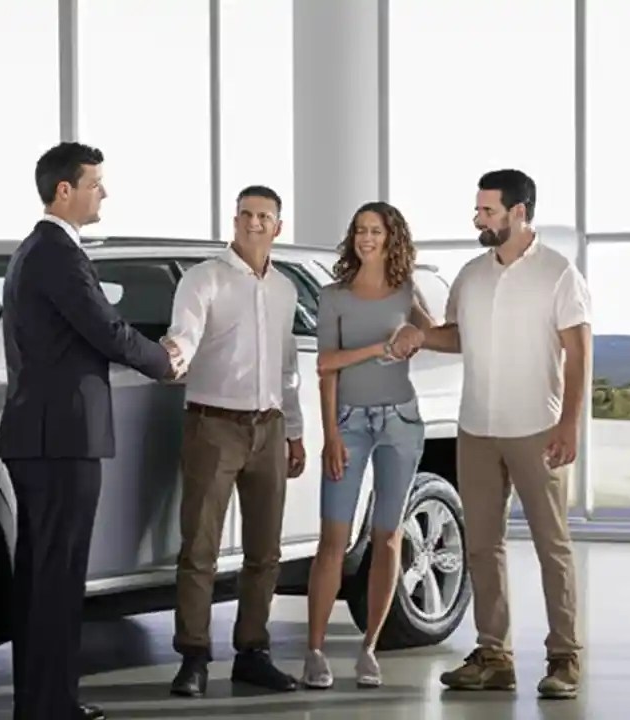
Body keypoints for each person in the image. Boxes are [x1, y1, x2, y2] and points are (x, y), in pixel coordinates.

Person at [0, 141, 185, 720]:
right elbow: (104, 327)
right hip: (61, 438)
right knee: (57, 577)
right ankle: (51, 706)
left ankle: (44, 703)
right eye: (96, 183)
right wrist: (163, 360)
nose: (104, 192)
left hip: (45, 435)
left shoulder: (38, 251)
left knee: (45, 577)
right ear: (64, 191)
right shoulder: (56, 252)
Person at [409, 169, 589, 699]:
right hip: (477, 429)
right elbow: (454, 337)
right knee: (483, 547)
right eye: (478, 209)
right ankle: (494, 655)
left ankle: (565, 659)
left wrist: (569, 423)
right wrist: (414, 323)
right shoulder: (470, 274)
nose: (477, 219)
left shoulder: (559, 274)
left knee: (552, 546)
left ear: (519, 213)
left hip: (538, 429)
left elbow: (578, 353)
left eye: (488, 211)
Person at [161, 185, 306, 696]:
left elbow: (288, 368)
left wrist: (295, 431)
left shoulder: (285, 289)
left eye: (264, 216)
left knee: (265, 551)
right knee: (199, 548)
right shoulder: (204, 279)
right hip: (212, 427)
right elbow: (185, 334)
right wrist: (172, 353)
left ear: (278, 227)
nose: (253, 223)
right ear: (235, 219)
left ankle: (253, 651)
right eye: (245, 214)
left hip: (268, 429)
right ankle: (194, 657)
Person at [300, 201, 434, 689]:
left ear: (391, 237)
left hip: (402, 421)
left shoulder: (404, 290)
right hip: (350, 425)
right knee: (332, 541)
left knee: (389, 537)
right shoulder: (333, 295)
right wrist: (332, 434)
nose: (366, 238)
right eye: (360, 230)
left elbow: (430, 332)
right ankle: (315, 652)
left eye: (375, 230)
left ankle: (369, 648)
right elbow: (325, 365)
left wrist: (415, 333)